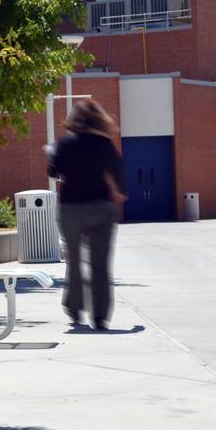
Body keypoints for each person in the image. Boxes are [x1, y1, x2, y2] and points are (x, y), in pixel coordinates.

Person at [46, 99, 125, 330]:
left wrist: (53, 156)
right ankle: (100, 317)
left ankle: (74, 309)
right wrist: (122, 191)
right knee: (100, 264)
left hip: (71, 208)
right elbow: (118, 171)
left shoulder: (65, 143)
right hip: (101, 207)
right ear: (98, 118)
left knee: (74, 261)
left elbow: (53, 171)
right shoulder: (104, 143)